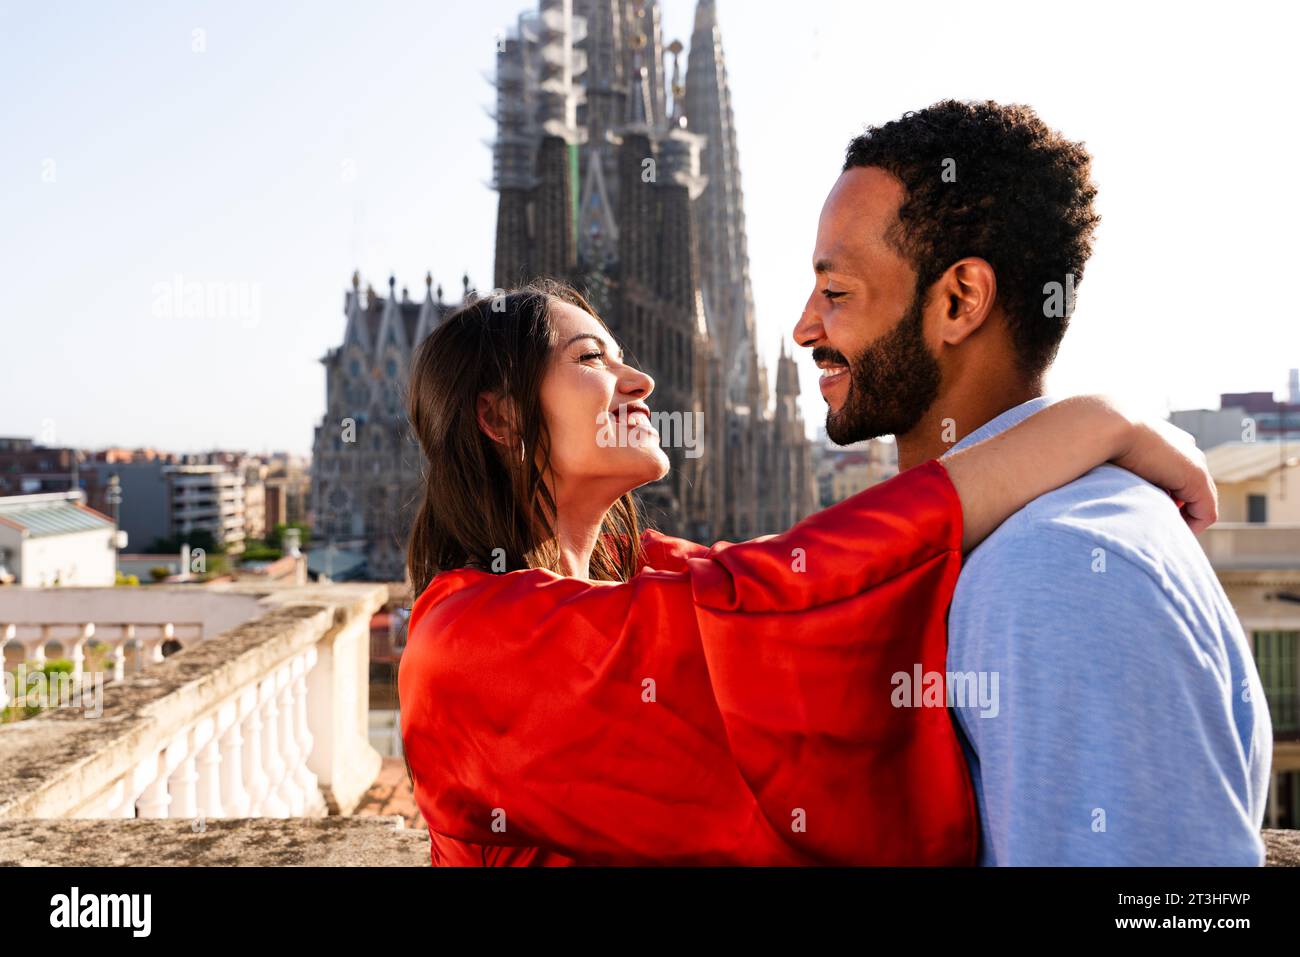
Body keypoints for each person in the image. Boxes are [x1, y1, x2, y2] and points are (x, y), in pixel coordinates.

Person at [398, 279, 1214, 866]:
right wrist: (1098, 422)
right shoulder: (464, 641)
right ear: (500, 416)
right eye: (590, 358)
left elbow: (808, 577)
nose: (640, 380)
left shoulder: (626, 570)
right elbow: (800, 592)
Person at [794, 99, 1272, 865]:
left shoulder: (1054, 569)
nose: (806, 327)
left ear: (959, 301)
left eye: (837, 292)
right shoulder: (1042, 531)